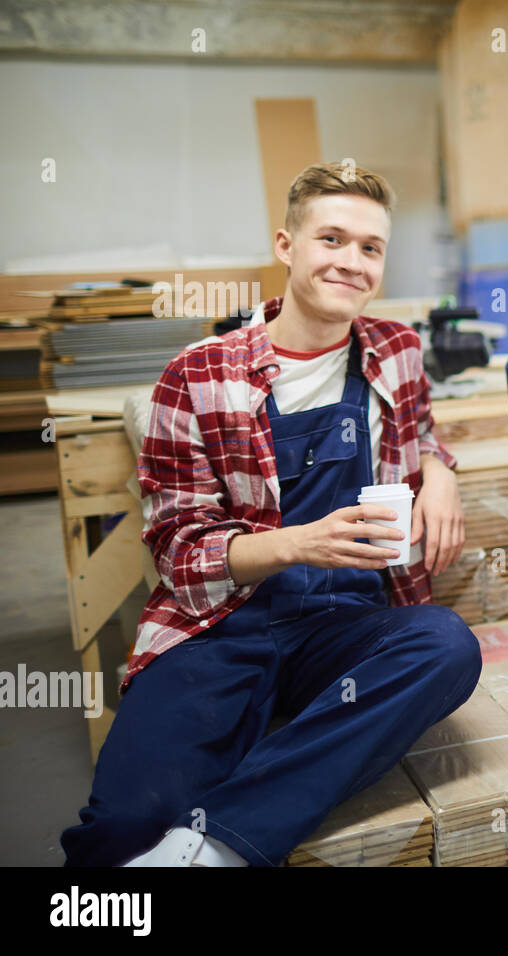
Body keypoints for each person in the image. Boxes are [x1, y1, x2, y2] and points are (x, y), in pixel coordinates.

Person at [61, 162, 482, 867]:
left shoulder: (396, 352)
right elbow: (179, 553)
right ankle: (200, 825)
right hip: (225, 625)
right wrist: (297, 545)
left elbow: (422, 429)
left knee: (446, 646)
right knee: (120, 832)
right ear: (287, 245)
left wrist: (439, 471)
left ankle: (217, 843)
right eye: (332, 239)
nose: (351, 262)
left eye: (370, 248)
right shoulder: (197, 375)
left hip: (344, 625)